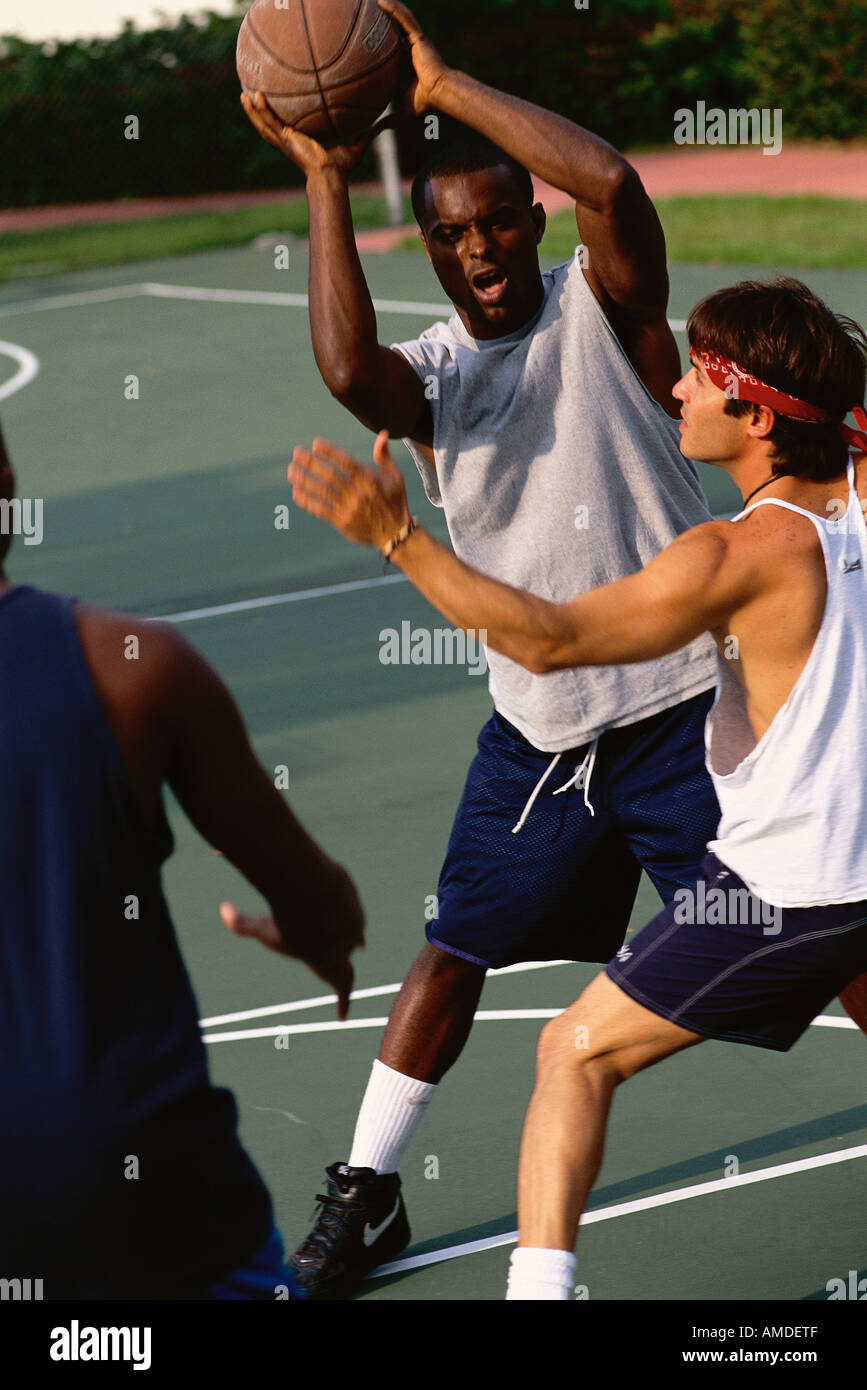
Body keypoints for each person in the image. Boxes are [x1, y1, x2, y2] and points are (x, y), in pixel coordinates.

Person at [240, 0, 724, 1297]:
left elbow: (614, 181)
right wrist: (329, 176)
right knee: (448, 953)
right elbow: (348, 367)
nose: (478, 252)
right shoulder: (439, 372)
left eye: (497, 221)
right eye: (449, 236)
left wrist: (443, 82)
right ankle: (368, 1191)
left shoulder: (606, 311)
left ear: (532, 217)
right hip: (542, 734)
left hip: (688, 708)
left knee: (831, 929)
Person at [286, 276, 867, 1299]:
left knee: (573, 1054)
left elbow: (550, 641)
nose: (676, 390)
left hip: (790, 894)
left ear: (758, 415)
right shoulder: (858, 491)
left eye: (699, 376)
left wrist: (398, 536)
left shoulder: (734, 554)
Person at [0, 419, 364, 1299]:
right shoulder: (133, 667)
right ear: (7, 478)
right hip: (146, 1192)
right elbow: (323, 905)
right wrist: (315, 933)